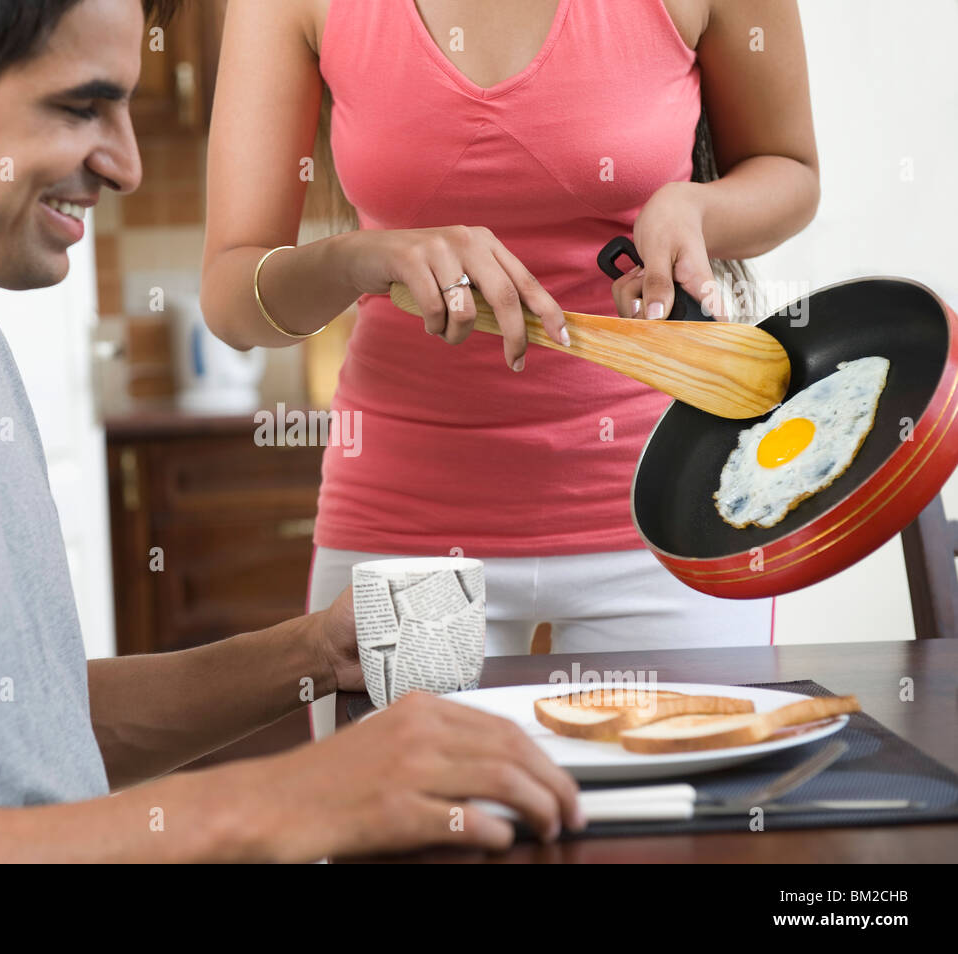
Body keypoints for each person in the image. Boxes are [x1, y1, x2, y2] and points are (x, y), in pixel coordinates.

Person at [0, 0, 584, 863]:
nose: (126, 164)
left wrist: (318, 653)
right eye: (81, 108)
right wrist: (278, 803)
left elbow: (26, 734)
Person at [199, 0, 820, 734]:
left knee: (684, 830)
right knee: (406, 830)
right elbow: (232, 293)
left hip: (671, 504)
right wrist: (359, 257)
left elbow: (791, 169)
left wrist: (698, 210)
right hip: (407, 524)